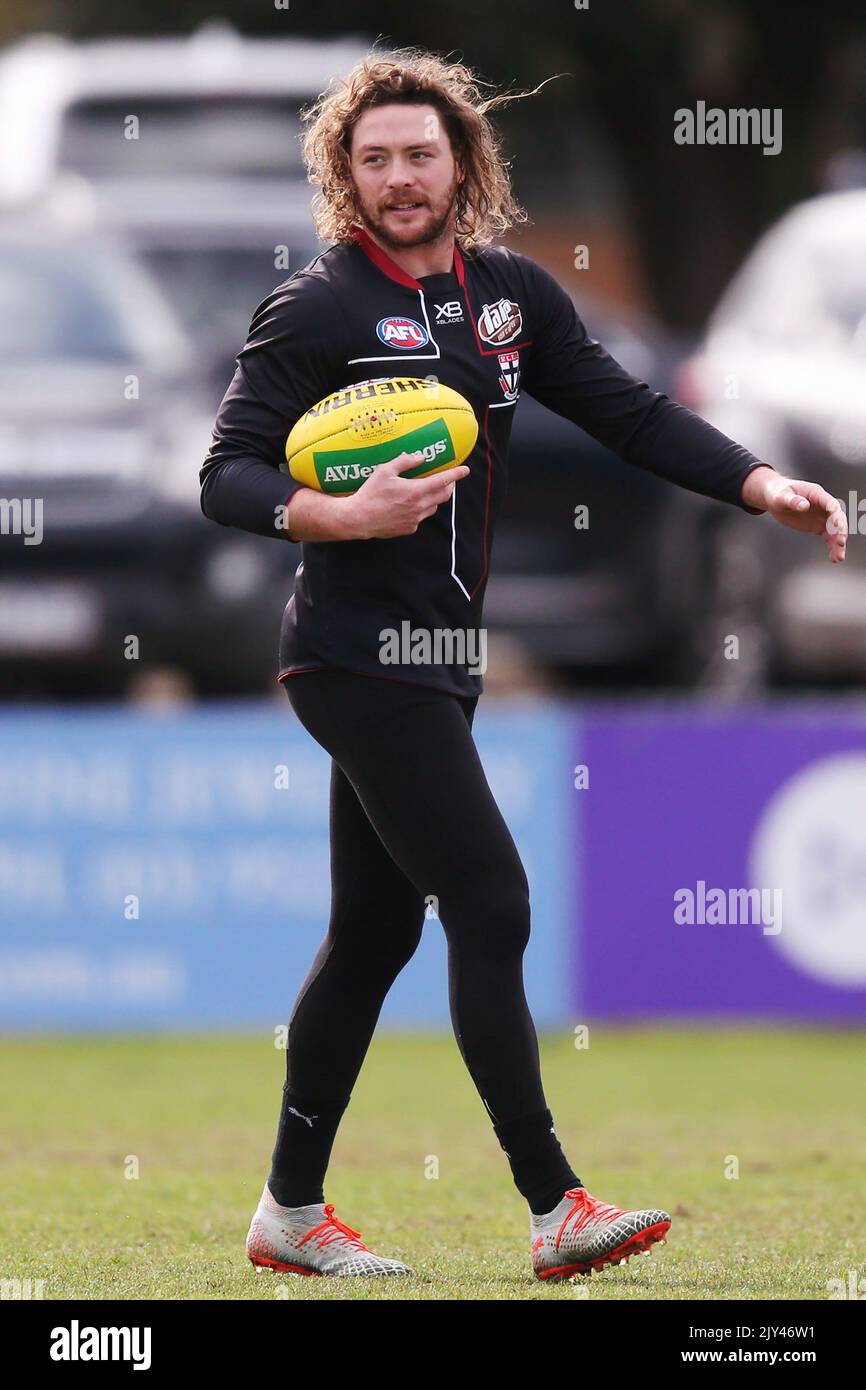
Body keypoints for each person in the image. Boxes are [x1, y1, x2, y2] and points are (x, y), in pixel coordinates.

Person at [200, 48, 847, 1281]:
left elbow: (627, 408)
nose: (398, 177)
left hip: (441, 658)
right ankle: (553, 1203)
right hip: (353, 655)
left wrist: (758, 482)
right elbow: (224, 473)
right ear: (343, 173)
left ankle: (289, 1210)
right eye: (374, 158)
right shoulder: (316, 308)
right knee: (489, 902)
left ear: (462, 164)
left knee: (375, 935)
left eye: (419, 154)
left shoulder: (509, 299)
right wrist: (335, 513)